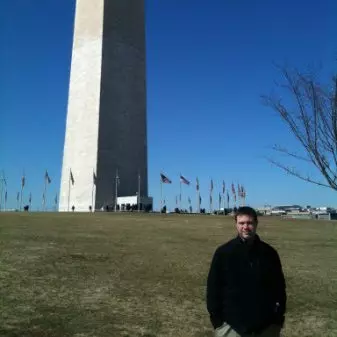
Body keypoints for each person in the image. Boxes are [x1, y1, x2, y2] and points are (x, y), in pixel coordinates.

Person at [207, 206, 286, 337]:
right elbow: (213, 289)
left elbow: (279, 287)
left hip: (266, 327)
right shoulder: (224, 253)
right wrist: (218, 322)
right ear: (236, 225)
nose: (245, 227)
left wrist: (278, 318)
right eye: (241, 223)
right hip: (232, 327)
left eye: (249, 223)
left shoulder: (269, 253)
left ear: (256, 224)